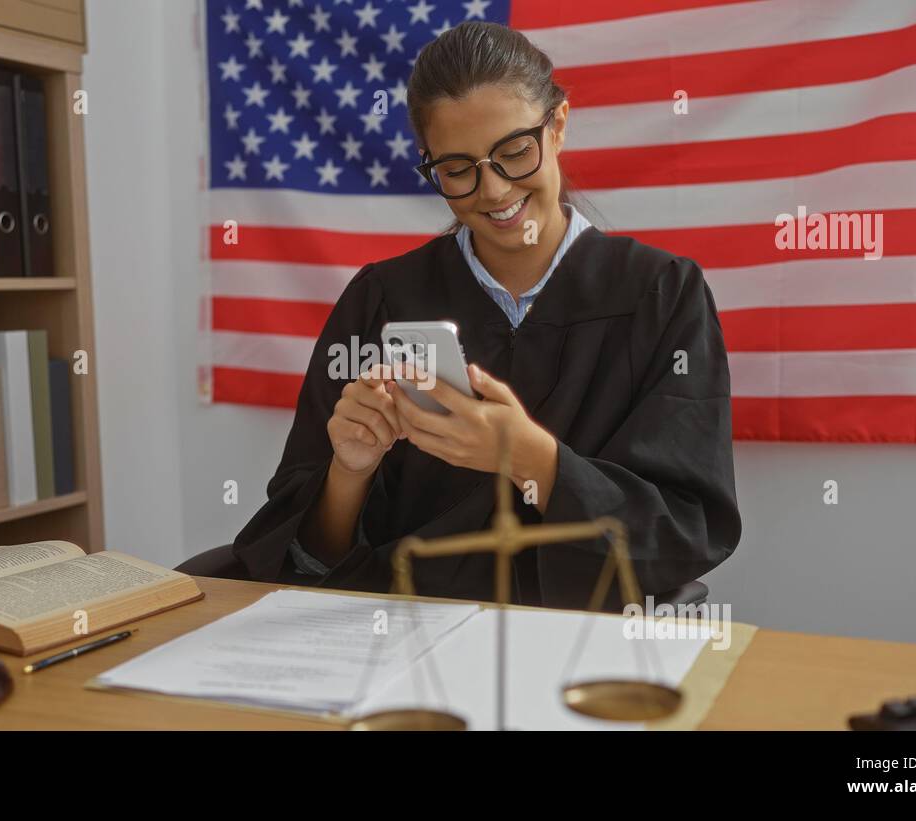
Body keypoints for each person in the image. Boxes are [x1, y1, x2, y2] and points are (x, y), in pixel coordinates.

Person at [231, 21, 741, 608]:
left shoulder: (660, 294)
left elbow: (685, 532)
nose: (493, 190)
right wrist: (350, 470)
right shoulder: (382, 300)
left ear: (558, 126)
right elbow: (307, 556)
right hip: (403, 637)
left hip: (584, 642)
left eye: (514, 153)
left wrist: (528, 458)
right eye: (457, 169)